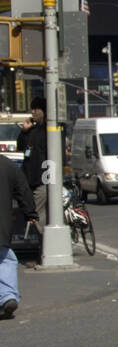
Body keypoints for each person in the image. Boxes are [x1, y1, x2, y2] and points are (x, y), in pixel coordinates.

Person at [1, 153, 38, 318]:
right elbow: (23, 190)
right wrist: (30, 213)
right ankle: (7, 296)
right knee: (5, 259)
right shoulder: (7, 165)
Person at [16, 101, 48, 244]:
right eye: (32, 109)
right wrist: (24, 131)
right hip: (29, 180)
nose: (33, 112)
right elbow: (21, 147)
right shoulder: (32, 130)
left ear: (44, 111)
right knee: (31, 213)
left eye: (36, 109)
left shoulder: (49, 130)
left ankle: (44, 249)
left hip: (43, 180)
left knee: (38, 214)